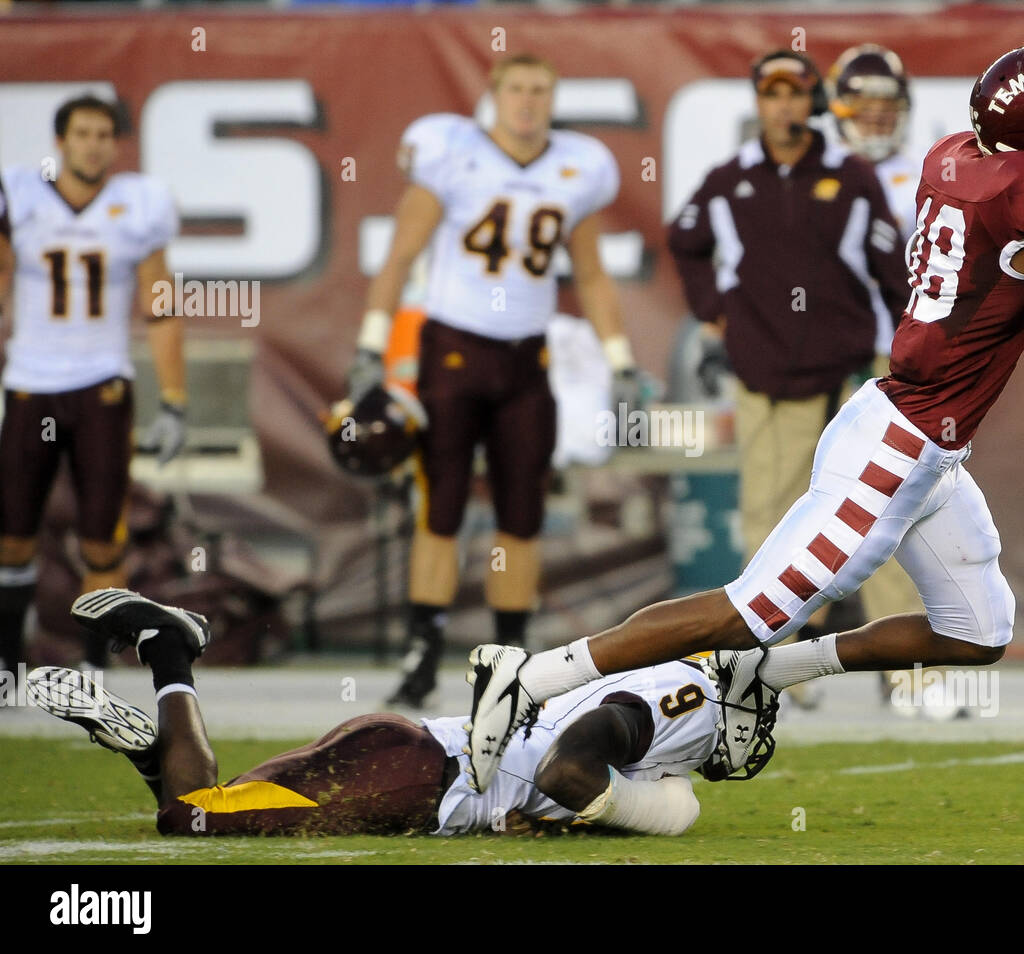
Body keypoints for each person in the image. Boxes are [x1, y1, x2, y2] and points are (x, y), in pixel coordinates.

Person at [463, 44, 1024, 794]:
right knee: (750, 611)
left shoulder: (961, 154)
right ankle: (533, 677)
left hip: (926, 442)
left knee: (977, 633)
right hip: (898, 443)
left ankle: (765, 674)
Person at [347, 54, 642, 709]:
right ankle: (422, 656)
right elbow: (400, 255)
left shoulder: (576, 168)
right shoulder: (451, 154)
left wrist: (619, 359)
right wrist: (372, 344)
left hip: (524, 362)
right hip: (451, 352)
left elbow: (591, 275)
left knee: (522, 515)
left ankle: (512, 665)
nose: (528, 102)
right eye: (517, 89)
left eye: (541, 89)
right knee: (441, 509)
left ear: (554, 97)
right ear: (494, 95)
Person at [28, 588, 719, 837]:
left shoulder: (634, 712)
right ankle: (169, 648)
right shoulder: (660, 716)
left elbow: (569, 781)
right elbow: (571, 770)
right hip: (413, 781)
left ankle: (155, 750)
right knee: (191, 817)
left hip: (402, 750)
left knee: (212, 801)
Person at [667, 50, 909, 709]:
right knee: (766, 520)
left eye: (796, 93)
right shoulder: (731, 177)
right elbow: (684, 238)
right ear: (757, 101)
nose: (784, 106)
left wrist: (906, 354)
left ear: (814, 103)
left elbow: (891, 270)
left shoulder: (849, 174)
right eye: (772, 93)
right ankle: (779, 665)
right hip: (760, 372)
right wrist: (714, 314)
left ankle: (911, 667)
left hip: (845, 373)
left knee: (877, 514)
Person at [0, 96, 185, 681]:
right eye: (82, 133)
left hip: (103, 386)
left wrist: (175, 400)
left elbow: (161, 308)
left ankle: (89, 679)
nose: (94, 144)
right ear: (61, 141)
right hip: (30, 384)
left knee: (104, 543)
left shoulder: (139, 204)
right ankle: (7, 666)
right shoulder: (20, 196)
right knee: (11, 539)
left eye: (105, 133)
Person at [821, 42, 962, 719]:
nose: (876, 119)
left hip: (904, 367)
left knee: (899, 515)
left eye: (887, 107)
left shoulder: (931, 173)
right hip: (818, 361)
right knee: (796, 513)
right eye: (863, 106)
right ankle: (778, 665)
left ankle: (907, 673)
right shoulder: (811, 171)